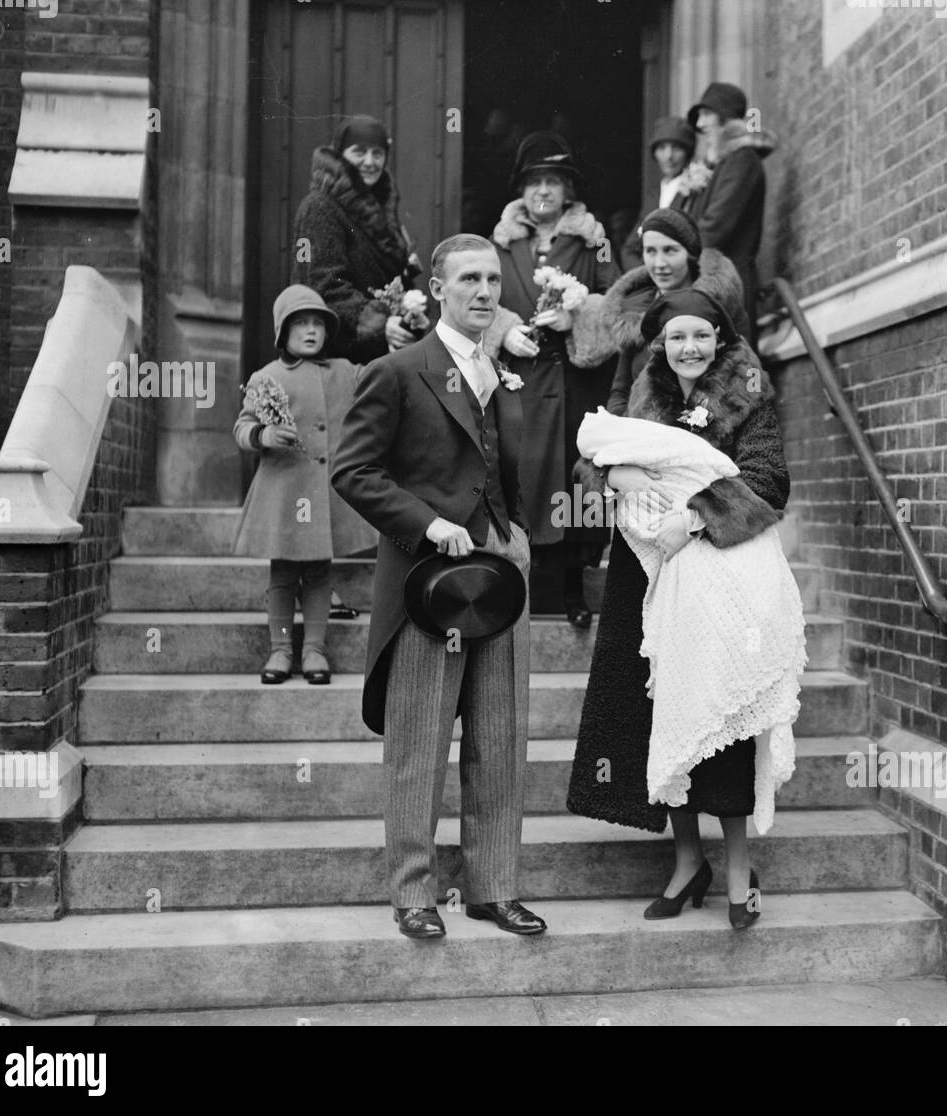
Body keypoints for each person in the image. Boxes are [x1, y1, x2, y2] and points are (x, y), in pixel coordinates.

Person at [331, 233, 545, 942]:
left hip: (498, 575)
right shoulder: (397, 371)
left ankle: (493, 887)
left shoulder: (503, 371)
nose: (486, 292)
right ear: (439, 288)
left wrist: (513, 534)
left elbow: (504, 468)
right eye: (470, 281)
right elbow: (353, 472)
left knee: (498, 735)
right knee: (420, 740)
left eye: (493, 280)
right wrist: (426, 525)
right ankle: (413, 893)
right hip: (429, 582)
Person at [567, 288, 798, 930]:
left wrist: (695, 516)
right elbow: (590, 459)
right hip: (644, 572)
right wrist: (611, 479)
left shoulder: (746, 397)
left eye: (701, 336)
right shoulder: (643, 398)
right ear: (660, 347)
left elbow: (769, 480)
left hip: (721, 571)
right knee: (653, 713)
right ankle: (687, 859)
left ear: (720, 340)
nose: (689, 349)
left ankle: (739, 868)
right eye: (676, 339)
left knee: (718, 710)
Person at [485, 130, 620, 628]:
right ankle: (518, 588)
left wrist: (577, 318)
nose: (543, 191)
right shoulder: (501, 243)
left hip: (574, 383)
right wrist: (503, 332)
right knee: (521, 476)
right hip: (518, 379)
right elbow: (482, 297)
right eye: (534, 182)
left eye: (553, 182)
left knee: (572, 482)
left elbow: (618, 296)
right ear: (522, 191)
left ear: (568, 191)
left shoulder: (594, 240)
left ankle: (572, 591)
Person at [233, 285, 376, 685]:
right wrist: (263, 435)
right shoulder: (268, 377)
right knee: (282, 576)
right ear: (283, 332)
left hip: (324, 493)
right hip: (284, 490)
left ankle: (314, 650)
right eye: (301, 324)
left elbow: (382, 380)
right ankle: (280, 651)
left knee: (318, 575)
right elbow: (242, 427)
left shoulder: (345, 372)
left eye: (318, 324)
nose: (311, 331)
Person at [567, 206, 748, 416]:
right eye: (651, 251)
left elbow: (748, 376)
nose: (659, 263)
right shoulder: (633, 313)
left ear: (689, 253)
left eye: (670, 250)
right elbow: (620, 390)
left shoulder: (721, 305)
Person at [293, 114, 422, 364]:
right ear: (341, 154)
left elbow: (397, 281)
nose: (370, 162)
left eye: (378, 153)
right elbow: (325, 286)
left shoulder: (384, 212)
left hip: (380, 358)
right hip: (334, 359)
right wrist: (381, 322)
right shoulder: (319, 207)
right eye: (359, 152)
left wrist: (412, 314)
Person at [678, 83, 776, 344]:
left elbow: (714, 227)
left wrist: (676, 254)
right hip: (712, 282)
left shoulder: (742, 160)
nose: (700, 123)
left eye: (706, 114)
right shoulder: (721, 164)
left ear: (726, 116)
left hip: (729, 285)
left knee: (732, 371)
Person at [619, 118, 697, 272]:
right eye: (662, 148)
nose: (669, 156)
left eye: (676, 148)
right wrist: (648, 277)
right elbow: (630, 249)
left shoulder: (695, 190)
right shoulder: (653, 197)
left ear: (687, 152)